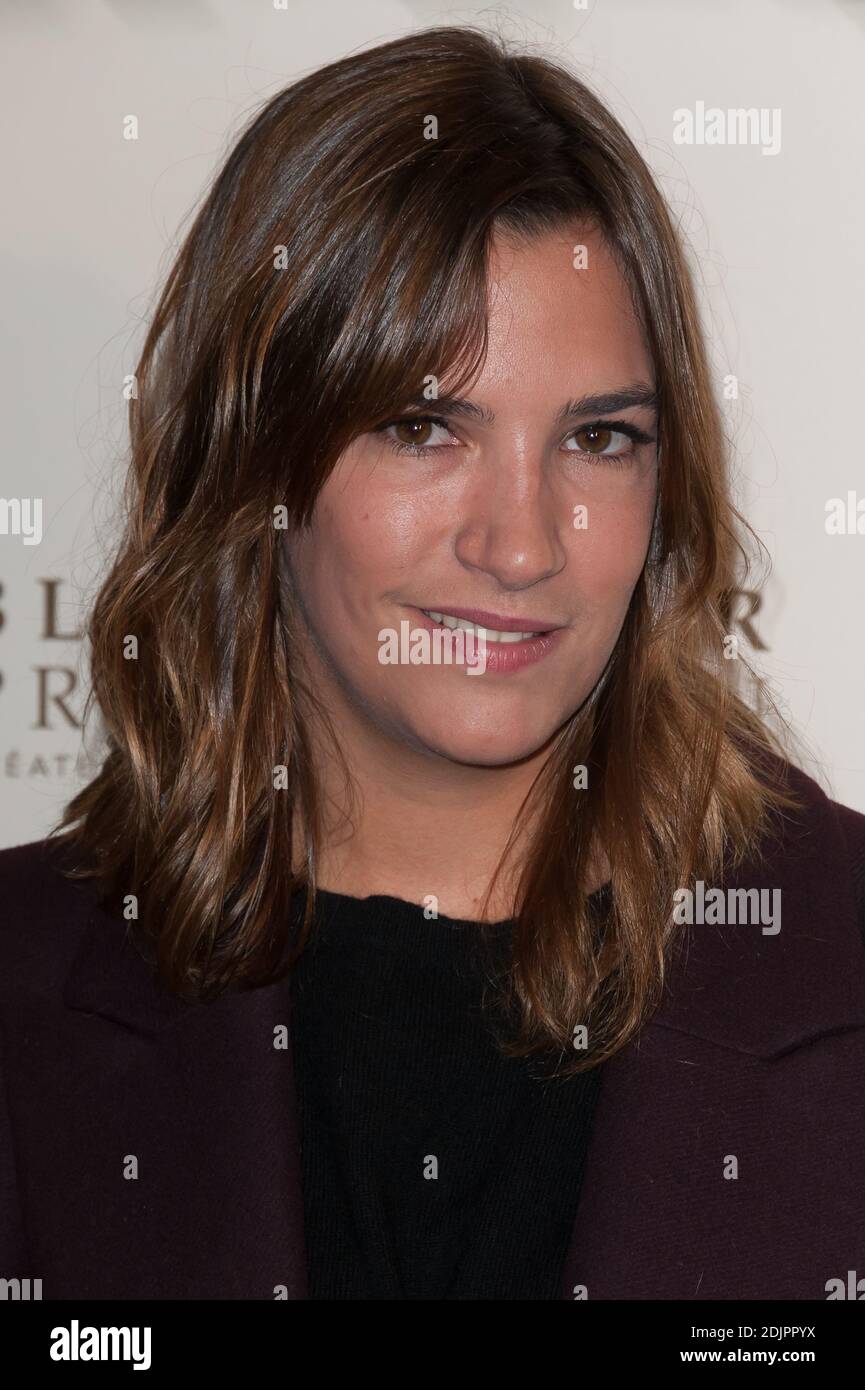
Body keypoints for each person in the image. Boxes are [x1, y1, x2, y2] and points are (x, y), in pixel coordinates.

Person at [1, 24, 863, 1302]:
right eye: (420, 426)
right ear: (251, 462)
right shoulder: (28, 986)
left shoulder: (834, 949)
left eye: (601, 439)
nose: (520, 543)